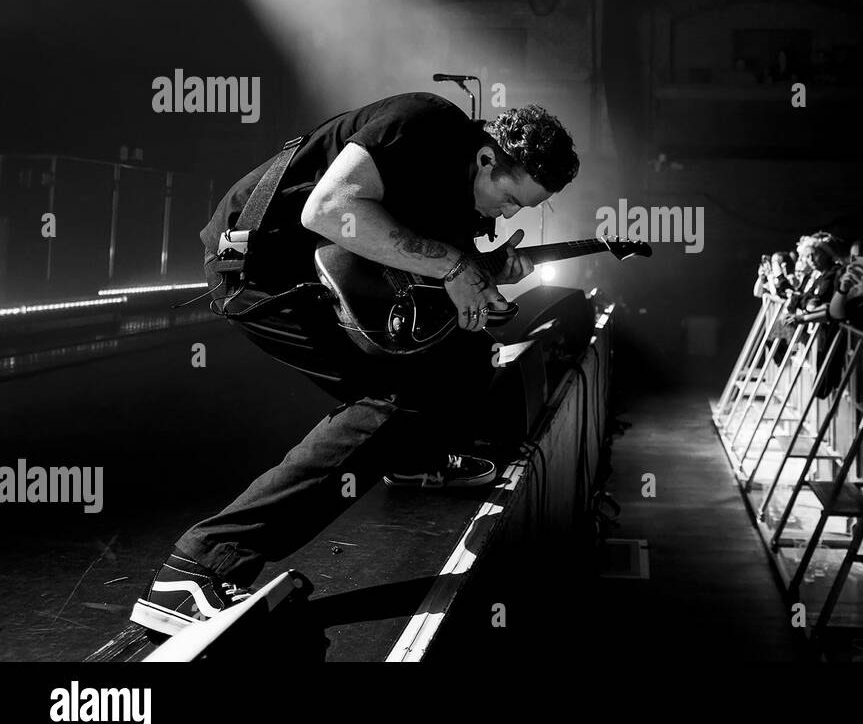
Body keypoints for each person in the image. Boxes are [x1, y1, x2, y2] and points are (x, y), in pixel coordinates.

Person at [131, 93, 580, 636]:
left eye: (520, 210)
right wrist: (455, 263)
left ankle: (412, 457)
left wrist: (483, 271)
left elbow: (412, 258)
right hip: (260, 268)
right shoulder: (426, 124)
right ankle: (200, 565)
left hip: (326, 272)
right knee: (403, 399)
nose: (507, 214)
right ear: (486, 159)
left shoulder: (461, 203)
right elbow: (329, 211)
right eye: (508, 196)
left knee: (467, 355)